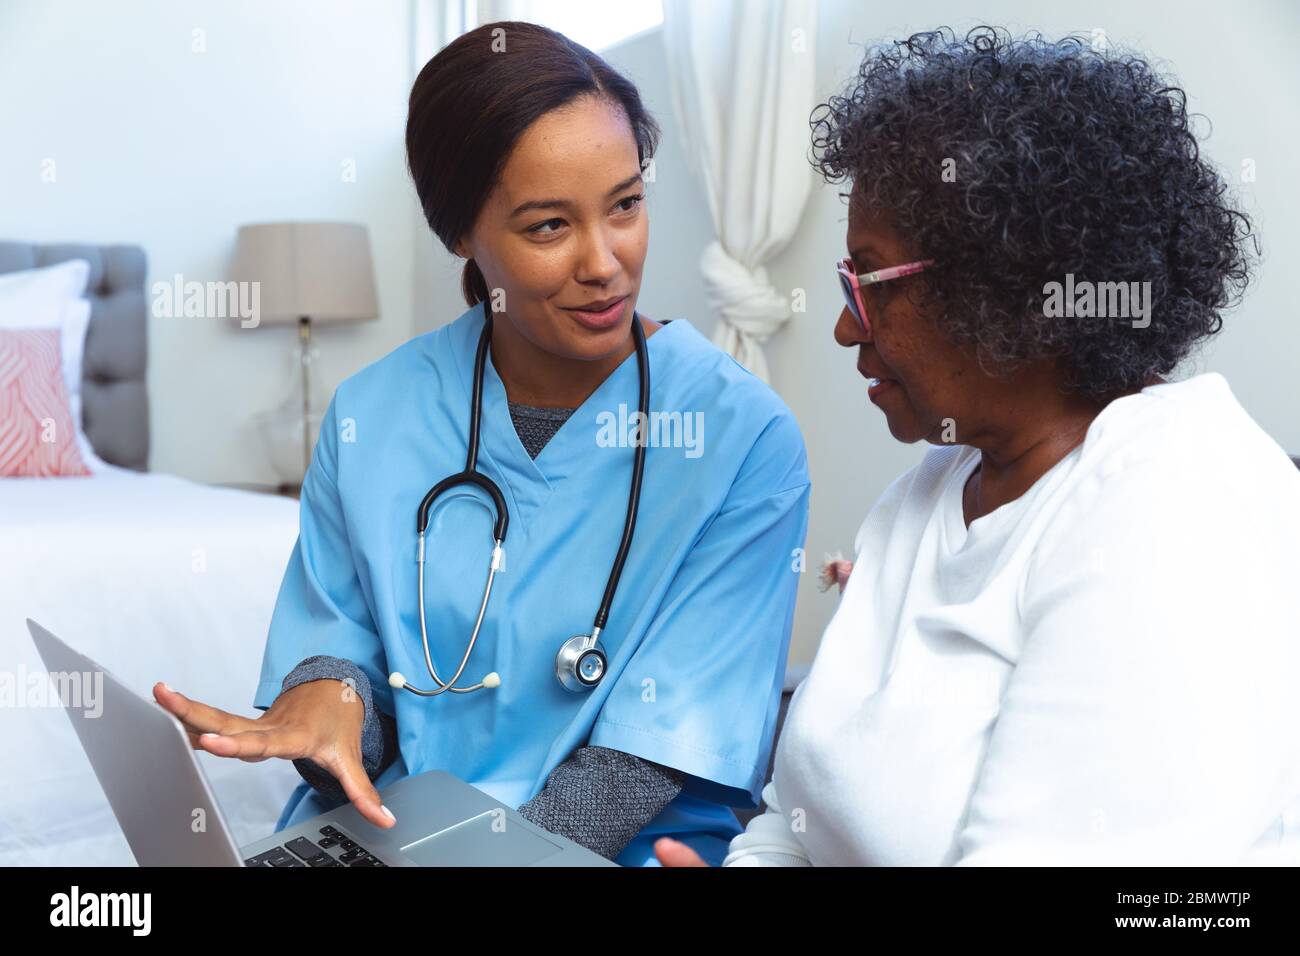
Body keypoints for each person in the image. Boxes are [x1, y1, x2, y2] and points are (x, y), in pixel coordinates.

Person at [155, 21, 810, 867]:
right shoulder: (370, 415)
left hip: (611, 843)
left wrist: (478, 858)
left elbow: (653, 755)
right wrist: (331, 712)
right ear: (461, 232)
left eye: (626, 205)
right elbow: (345, 658)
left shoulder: (744, 438)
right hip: (390, 835)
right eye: (548, 227)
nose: (605, 262)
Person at [656, 26, 1300, 867]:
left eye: (870, 281)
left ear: (1019, 294)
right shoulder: (931, 492)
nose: (849, 326)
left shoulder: (1179, 503)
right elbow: (797, 815)